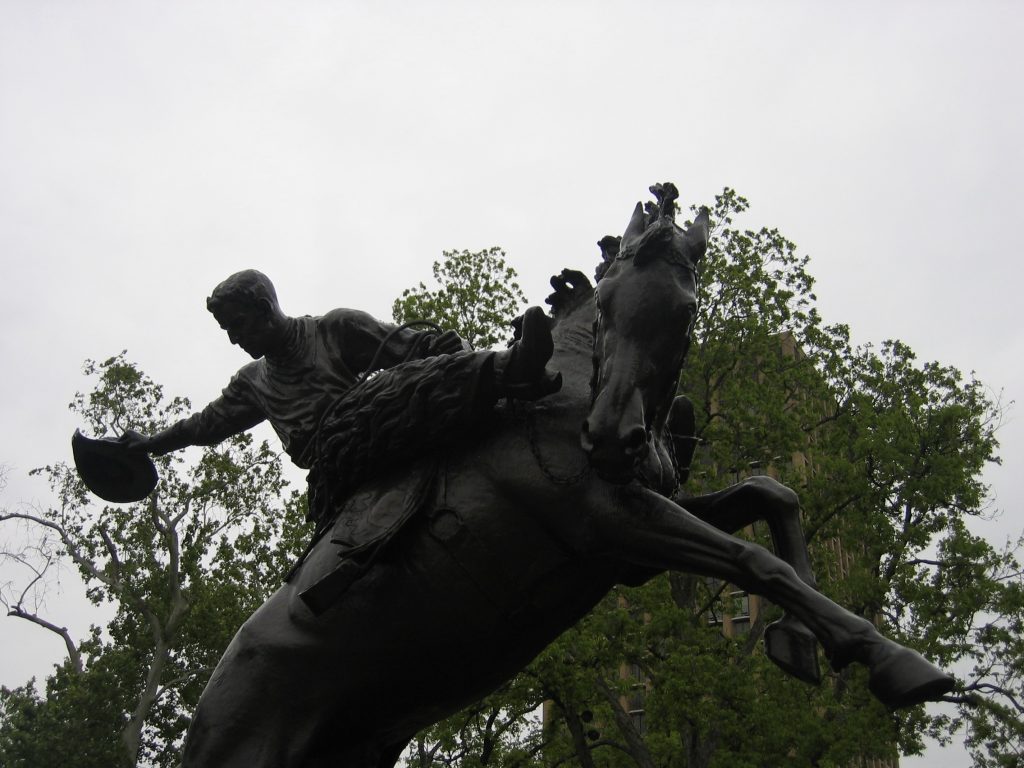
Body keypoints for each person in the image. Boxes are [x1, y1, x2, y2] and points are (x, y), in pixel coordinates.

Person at [121, 269, 560, 526]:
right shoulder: (251, 382)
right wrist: (150, 445)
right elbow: (203, 426)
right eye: (227, 331)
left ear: (263, 308)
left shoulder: (335, 329)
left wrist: (454, 356)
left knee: (399, 386)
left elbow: (411, 347)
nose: (235, 338)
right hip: (334, 465)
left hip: (379, 430)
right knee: (387, 395)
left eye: (238, 324)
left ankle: (505, 375)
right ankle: (511, 370)